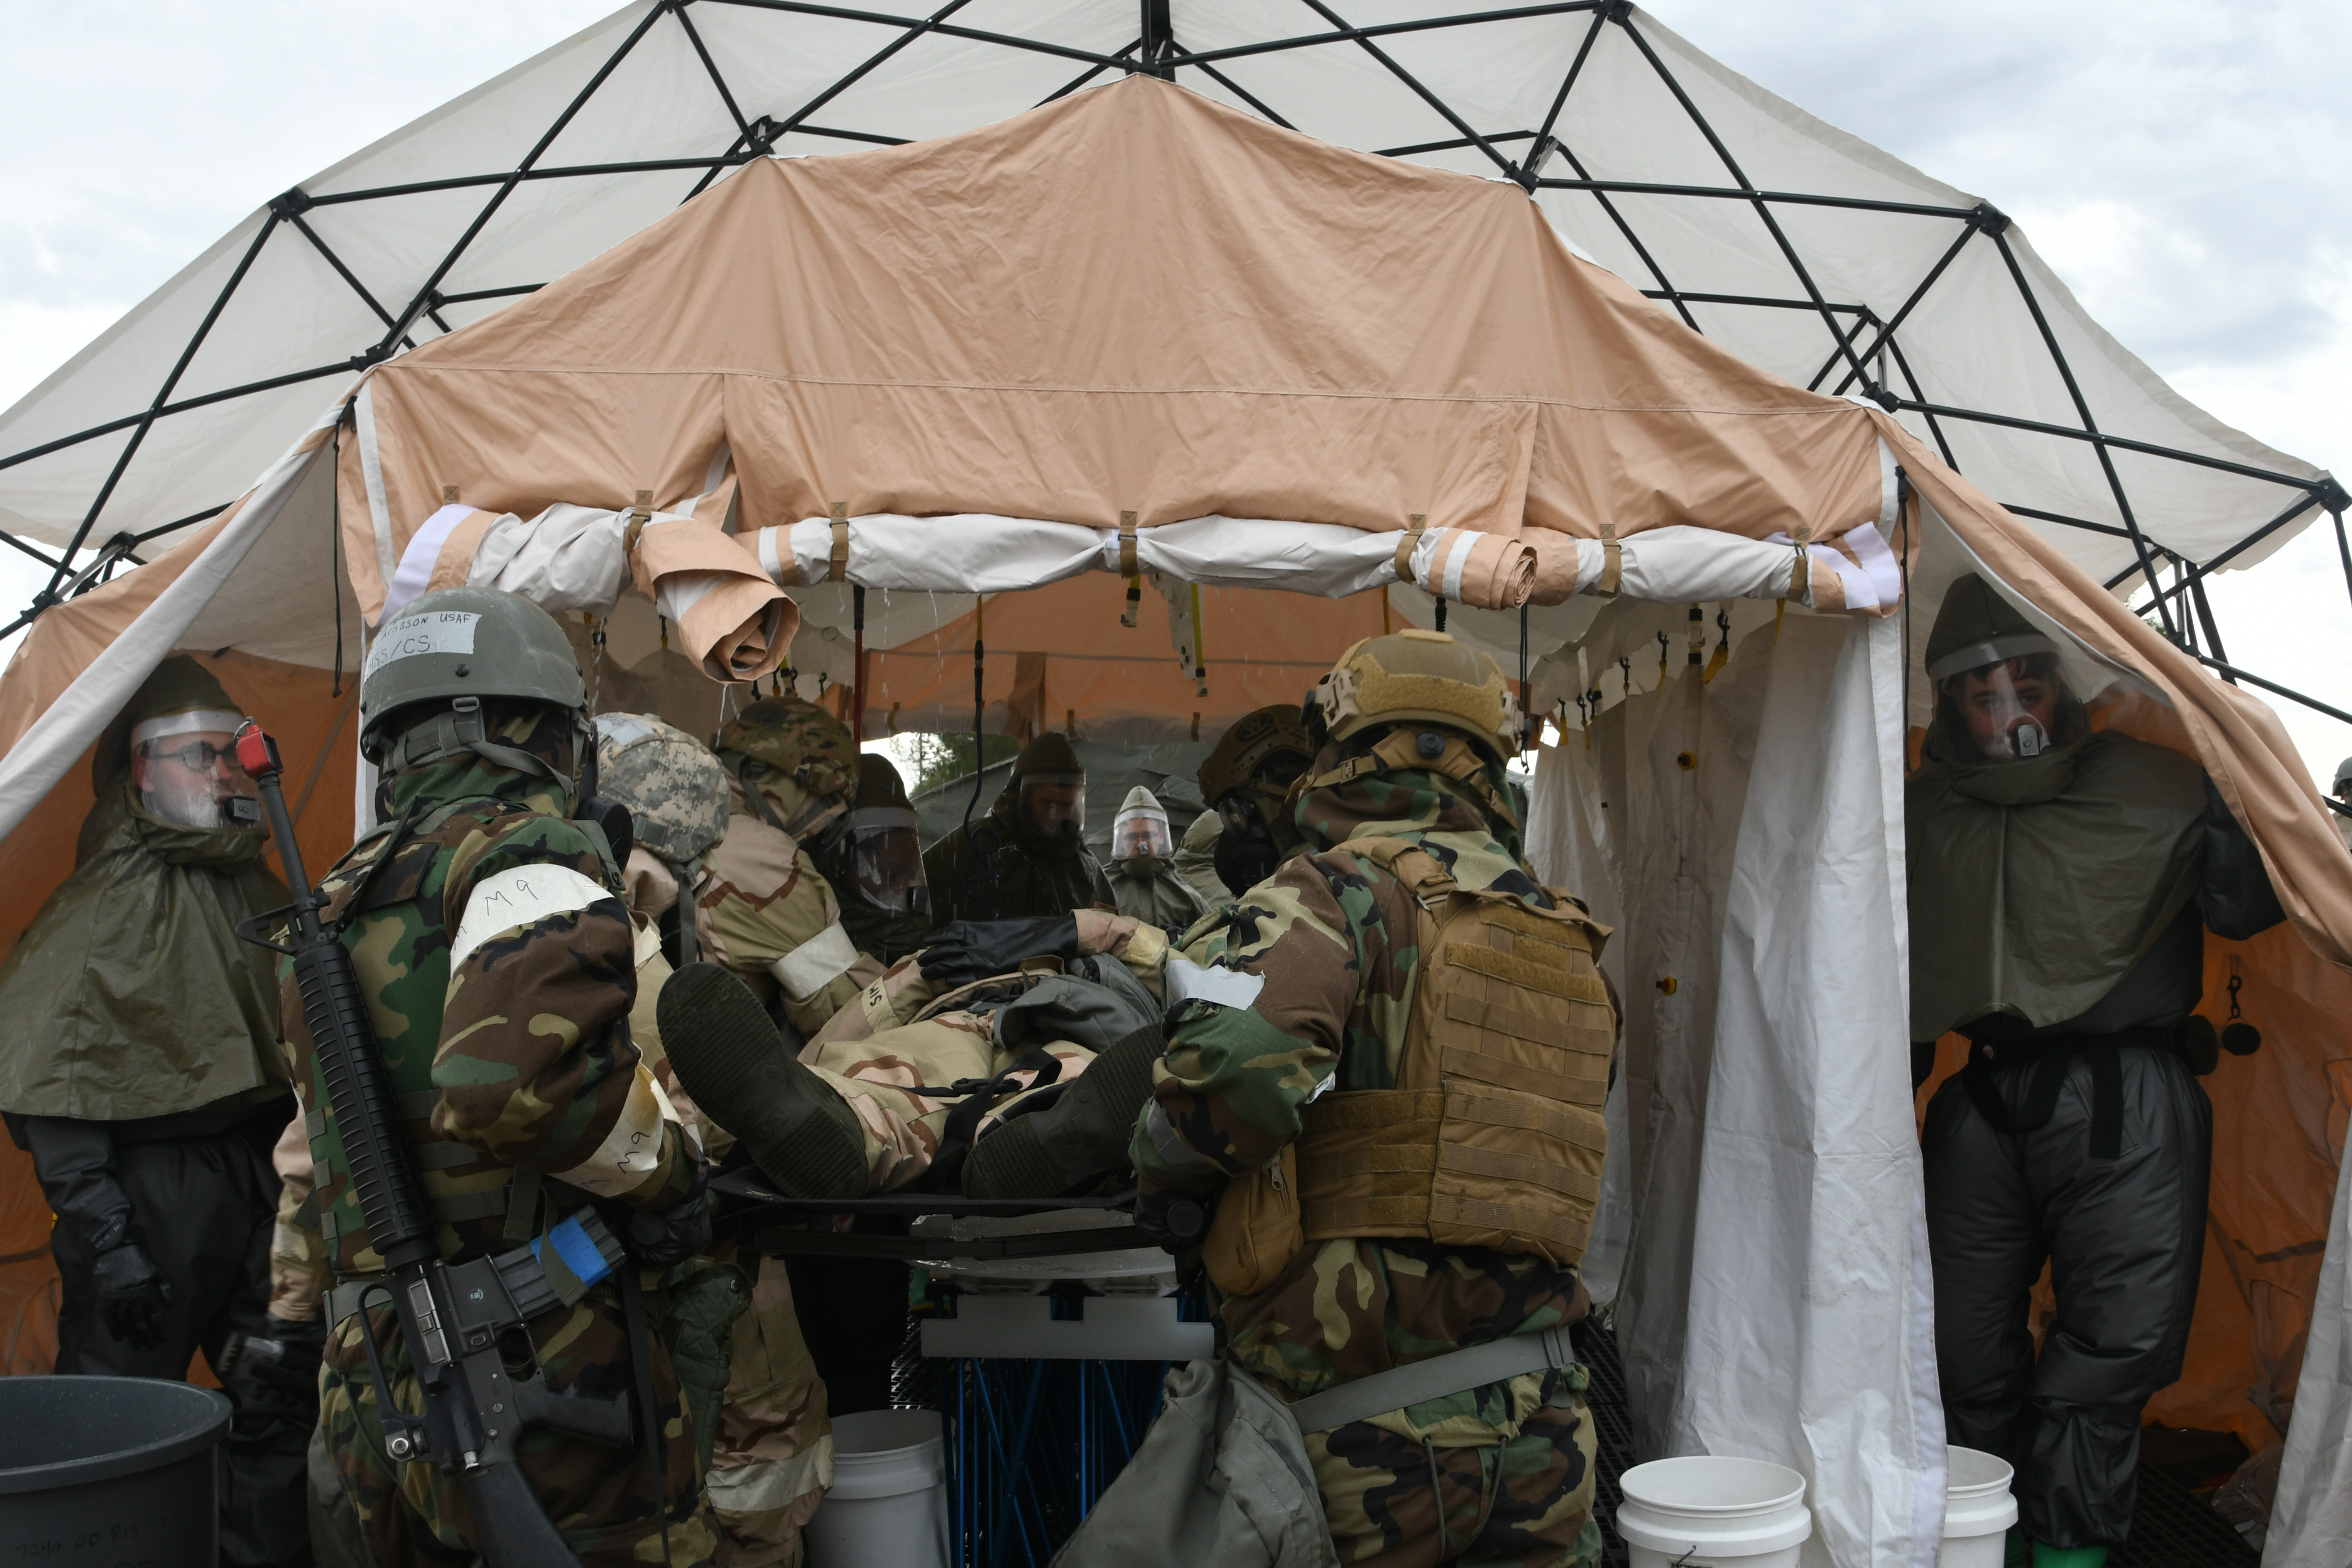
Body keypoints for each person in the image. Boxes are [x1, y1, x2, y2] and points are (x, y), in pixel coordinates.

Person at [1125, 630, 1614, 1568]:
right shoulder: (1558, 924)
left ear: (1344, 745)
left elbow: (1228, 1073)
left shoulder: (1336, 888)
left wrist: (1159, 1162)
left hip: (1371, 1435)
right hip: (1545, 1421)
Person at [297, 586, 717, 1565]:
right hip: (535, 1351)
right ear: (554, 734)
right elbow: (508, 1090)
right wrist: (671, 1170)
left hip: (373, 1370)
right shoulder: (533, 846)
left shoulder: (335, 898)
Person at [1909, 575, 2284, 1568]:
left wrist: (2230, 779)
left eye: (2027, 685)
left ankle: (2069, 1551)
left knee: (2109, 1350)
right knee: (1953, 1344)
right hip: (1981, 1098)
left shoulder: (2154, 781)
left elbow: (2249, 908)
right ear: (1946, 702)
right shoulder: (1919, 809)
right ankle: (1975, 1538)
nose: (2009, 711)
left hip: (2128, 1097)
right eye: (1981, 693)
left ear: (2062, 686)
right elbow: (1880, 968)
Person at [0, 656, 308, 1567]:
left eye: (228, 755)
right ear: (139, 769)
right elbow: (52, 1085)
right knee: (114, 1421)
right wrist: (109, 1234)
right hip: (144, 1196)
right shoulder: (95, 907)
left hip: (263, 1179)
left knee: (279, 1399)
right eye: (192, 755)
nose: (218, 773)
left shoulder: (261, 888)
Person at [593, 709, 836, 1562]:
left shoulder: (486, 906)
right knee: (752, 1497)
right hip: (699, 1256)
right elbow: (833, 1018)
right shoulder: (617, 931)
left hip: (584, 1292)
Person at [697, 695, 882, 1041]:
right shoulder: (762, 855)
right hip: (690, 1083)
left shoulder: (675, 808)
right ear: (772, 779)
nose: (822, 823)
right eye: (827, 803)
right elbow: (854, 1015)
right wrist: (931, 980)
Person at [923, 732, 1114, 923]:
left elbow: (1111, 929)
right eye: (1049, 804)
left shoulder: (1084, 863)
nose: (1060, 816)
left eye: (1068, 806)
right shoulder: (976, 845)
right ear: (1020, 796)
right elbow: (919, 900)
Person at [804, 754, 935, 968]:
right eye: (889, 875)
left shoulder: (928, 950)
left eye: (909, 873)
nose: (903, 887)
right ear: (832, 860)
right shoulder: (815, 948)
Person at [1194, 703, 1316, 901]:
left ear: (1294, 794)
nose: (1237, 836)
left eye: (1235, 816)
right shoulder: (1359, 859)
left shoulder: (1310, 888)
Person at [1105, 785, 1208, 930]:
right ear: (1121, 840)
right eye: (1132, 837)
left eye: (1148, 835)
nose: (1142, 845)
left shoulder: (1184, 894)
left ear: (1161, 837)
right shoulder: (1102, 887)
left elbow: (1214, 936)